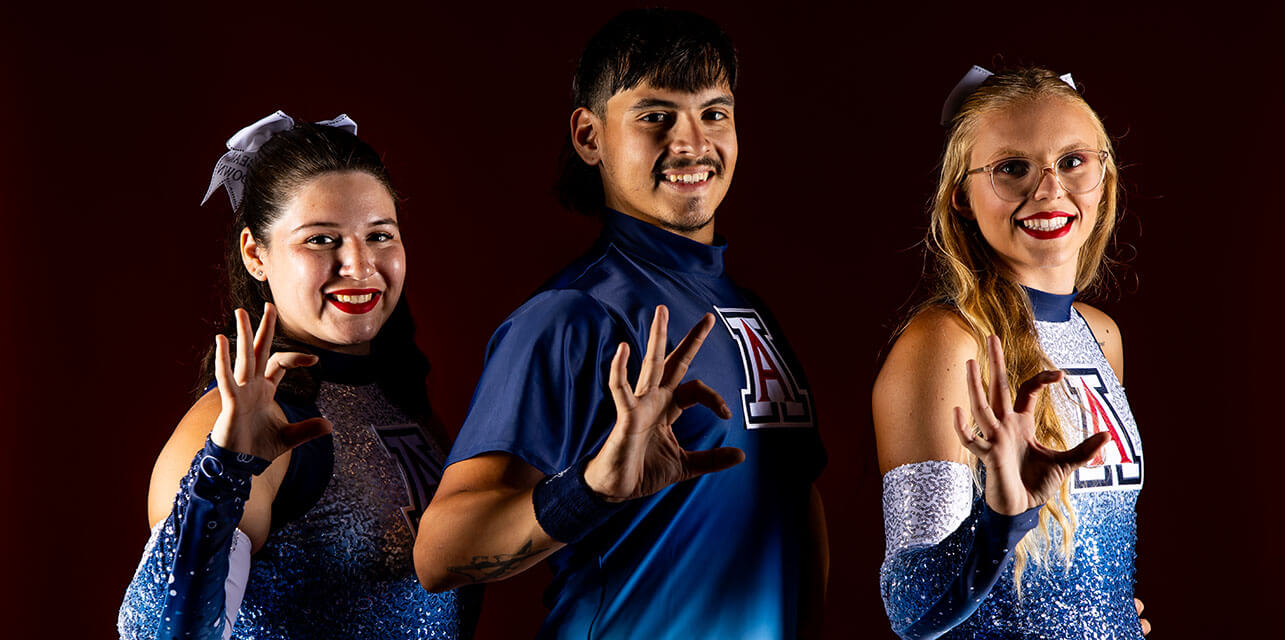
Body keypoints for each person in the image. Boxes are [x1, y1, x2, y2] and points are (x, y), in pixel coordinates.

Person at [412, 9, 828, 639]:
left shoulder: (749, 309)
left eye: (714, 113)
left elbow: (794, 505)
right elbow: (439, 553)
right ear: (589, 137)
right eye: (656, 116)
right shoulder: (572, 315)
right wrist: (592, 488)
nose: (692, 143)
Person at [118, 113, 479, 640]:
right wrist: (223, 472)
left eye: (380, 234)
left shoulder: (399, 395)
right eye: (320, 240)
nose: (358, 265)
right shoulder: (234, 422)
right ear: (255, 254)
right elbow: (161, 635)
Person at [872, 66, 1149, 638]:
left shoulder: (1101, 334)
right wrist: (1002, 519)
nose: (1049, 189)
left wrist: (1112, 621)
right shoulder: (947, 343)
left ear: (1106, 177)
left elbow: (1087, 577)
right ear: (963, 198)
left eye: (1073, 162)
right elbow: (912, 610)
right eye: (1012, 169)